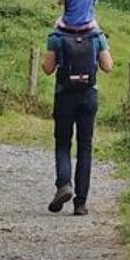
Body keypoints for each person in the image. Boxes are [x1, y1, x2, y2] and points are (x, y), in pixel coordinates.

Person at [41, 23, 113, 216]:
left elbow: (47, 69)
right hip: (88, 97)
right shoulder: (97, 36)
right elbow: (108, 66)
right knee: (85, 147)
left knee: (63, 143)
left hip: (64, 96)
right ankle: (80, 203)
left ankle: (64, 184)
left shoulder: (57, 36)